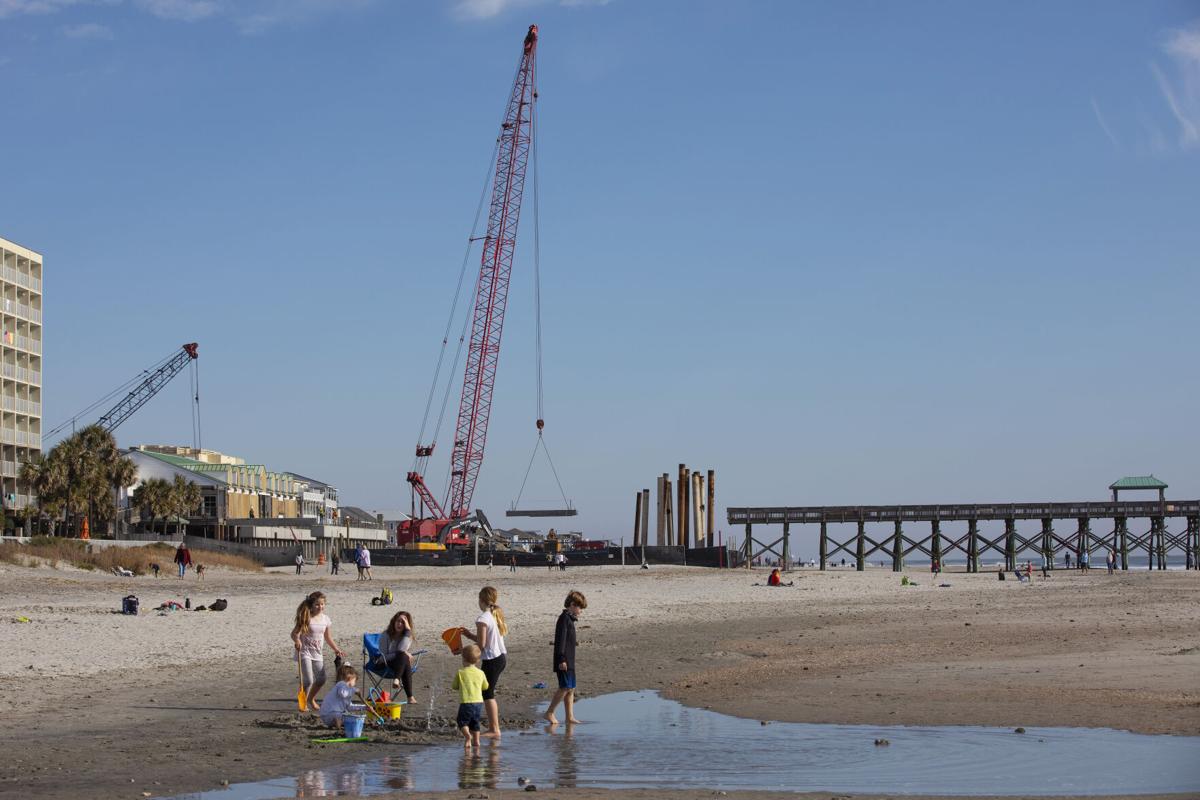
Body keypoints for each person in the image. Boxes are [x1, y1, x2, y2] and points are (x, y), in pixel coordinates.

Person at [460, 586, 508, 739]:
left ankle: (494, 729)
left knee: (488, 694)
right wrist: (469, 635)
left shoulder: (482, 619)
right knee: (487, 692)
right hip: (500, 658)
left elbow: (481, 645)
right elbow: (484, 641)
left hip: (492, 660)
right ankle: (493, 727)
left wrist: (463, 652)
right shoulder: (493, 615)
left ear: (481, 600)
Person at [291, 591, 347, 711]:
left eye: (322, 604)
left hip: (317, 653)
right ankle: (303, 703)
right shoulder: (306, 617)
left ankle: (311, 698)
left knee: (321, 679)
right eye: (317, 604)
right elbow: (294, 634)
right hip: (304, 651)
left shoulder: (325, 619)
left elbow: (328, 637)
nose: (320, 607)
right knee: (309, 680)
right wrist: (297, 641)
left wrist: (336, 649)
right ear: (311, 605)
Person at [544, 590, 586, 726]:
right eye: (580, 608)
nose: (581, 611)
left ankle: (570, 716)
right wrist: (561, 659)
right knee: (564, 687)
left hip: (570, 661)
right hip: (563, 660)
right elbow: (561, 641)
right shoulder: (564, 619)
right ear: (573, 605)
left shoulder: (570, 619)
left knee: (571, 688)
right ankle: (549, 712)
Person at [452, 644, 488, 751]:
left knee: (461, 721)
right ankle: (476, 741)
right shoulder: (481, 673)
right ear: (477, 660)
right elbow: (486, 686)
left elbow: (454, 686)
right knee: (475, 722)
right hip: (478, 703)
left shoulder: (461, 672)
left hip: (466, 702)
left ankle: (467, 736)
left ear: (463, 659)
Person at [377, 611, 417, 705]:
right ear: (393, 622)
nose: (399, 624)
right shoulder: (385, 635)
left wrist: (408, 631)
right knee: (404, 657)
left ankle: (397, 679)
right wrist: (403, 653)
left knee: (403, 657)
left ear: (407, 625)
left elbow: (401, 649)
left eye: (403, 622)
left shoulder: (407, 636)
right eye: (398, 621)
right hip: (384, 663)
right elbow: (383, 656)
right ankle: (410, 697)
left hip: (399, 664)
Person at [320, 663, 362, 731]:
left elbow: (349, 707)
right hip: (328, 714)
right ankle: (339, 729)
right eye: (355, 680)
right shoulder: (341, 684)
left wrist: (364, 707)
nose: (355, 683)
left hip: (330, 717)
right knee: (340, 715)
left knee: (348, 716)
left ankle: (338, 725)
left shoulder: (348, 690)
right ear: (350, 678)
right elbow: (343, 694)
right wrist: (354, 690)